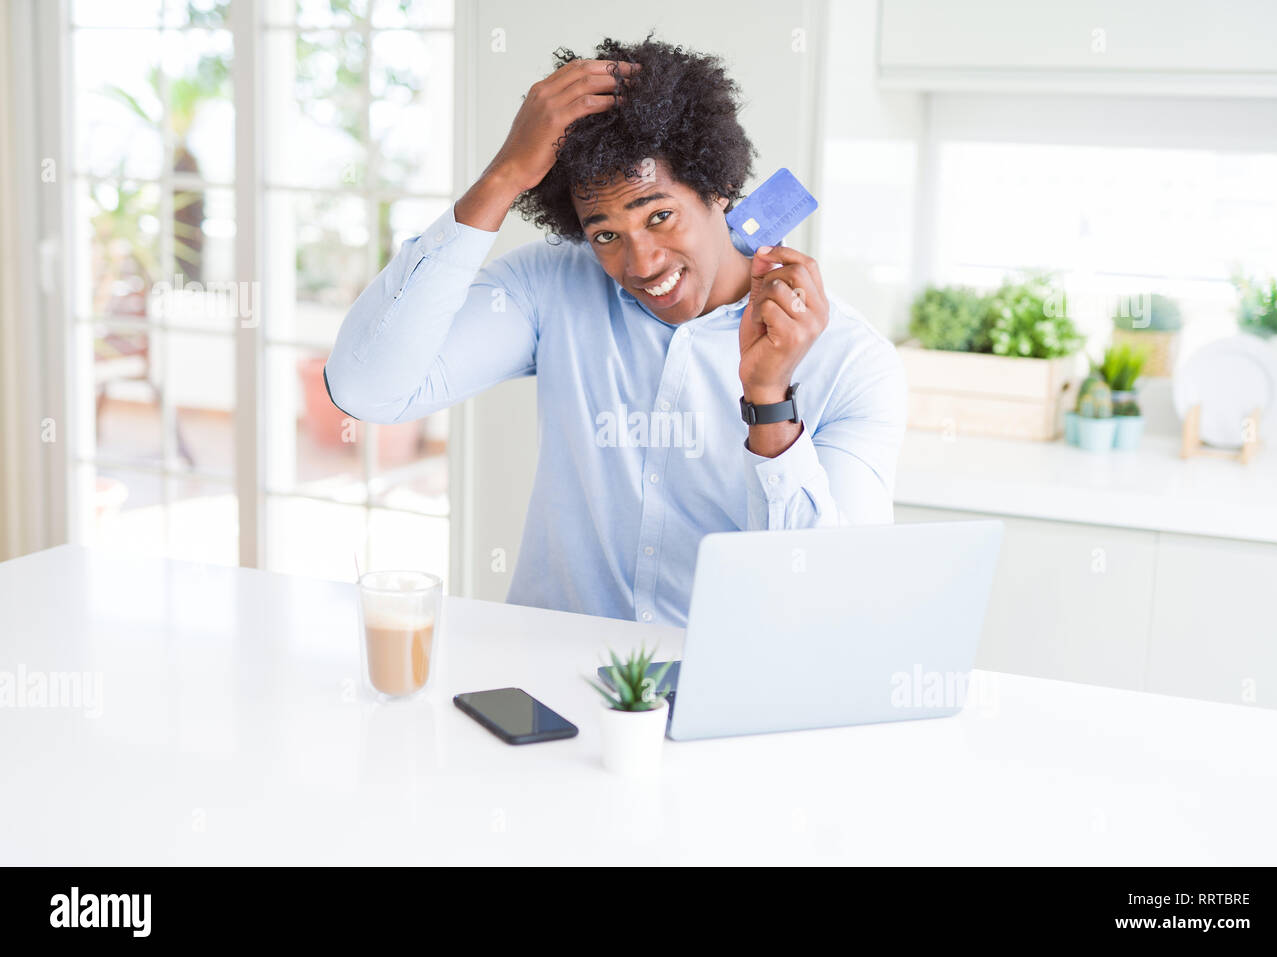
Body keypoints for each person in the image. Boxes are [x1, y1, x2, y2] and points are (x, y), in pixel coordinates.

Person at [324, 34, 907, 627]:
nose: (642, 263)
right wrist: (503, 178)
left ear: (718, 188)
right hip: (547, 685)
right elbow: (369, 387)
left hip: (722, 695)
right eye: (605, 233)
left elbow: (830, 605)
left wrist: (768, 402)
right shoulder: (549, 288)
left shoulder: (851, 363)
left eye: (660, 215)